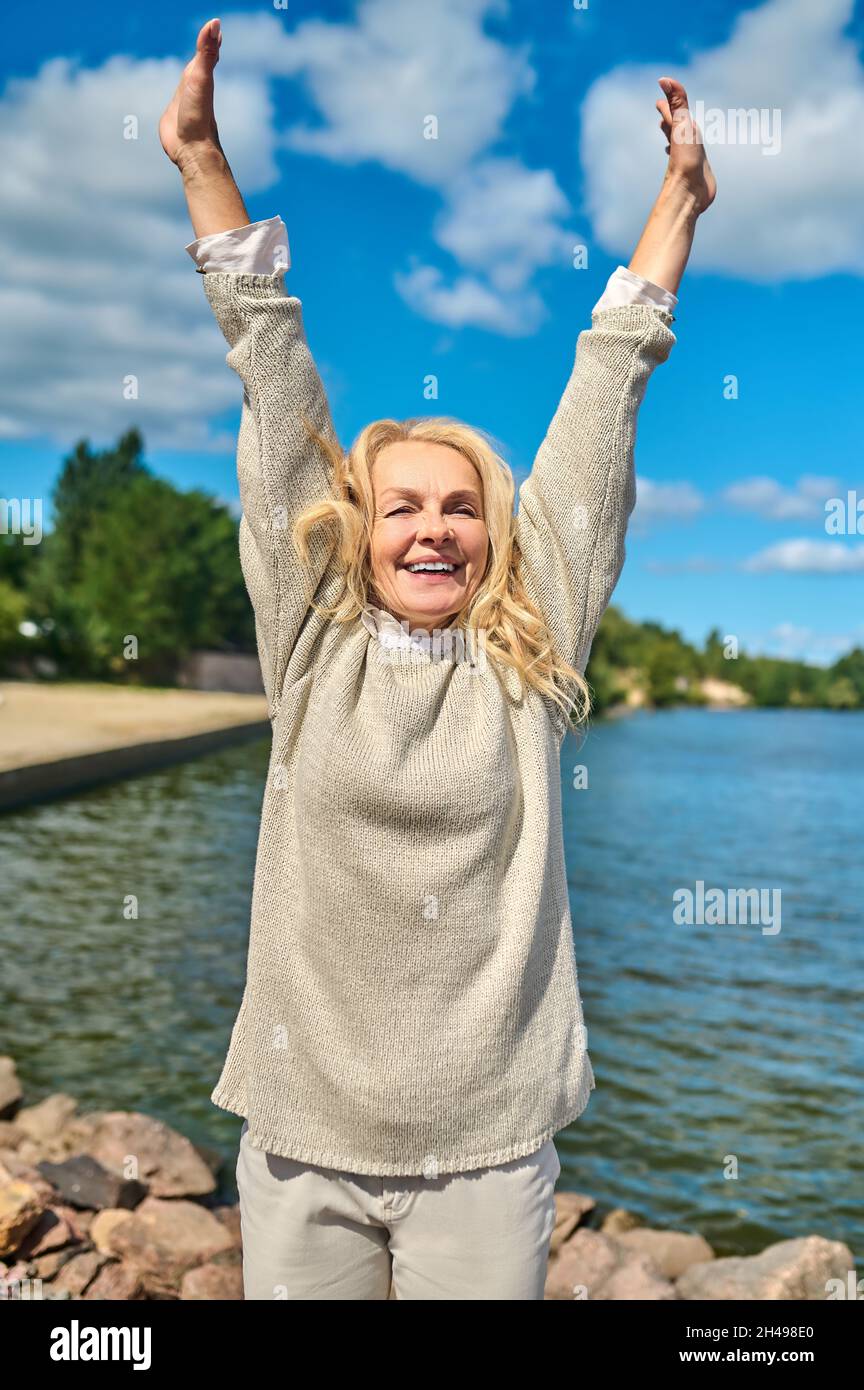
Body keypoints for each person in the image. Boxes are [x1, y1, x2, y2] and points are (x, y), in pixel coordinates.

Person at [160, 17, 715, 1301]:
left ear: (493, 538)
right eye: (401, 504)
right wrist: (199, 161)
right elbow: (274, 377)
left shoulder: (526, 658)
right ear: (356, 534)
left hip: (486, 1143)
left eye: (460, 506)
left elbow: (599, 405)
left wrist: (678, 205)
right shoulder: (310, 644)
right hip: (303, 1132)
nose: (432, 525)